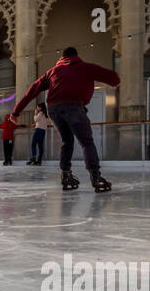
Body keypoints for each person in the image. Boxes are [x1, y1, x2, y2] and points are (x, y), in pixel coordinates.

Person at [13, 46, 119, 192]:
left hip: (53, 109)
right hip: (74, 106)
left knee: (67, 142)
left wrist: (16, 112)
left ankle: (65, 175)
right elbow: (112, 76)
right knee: (86, 142)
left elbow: (32, 91)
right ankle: (95, 176)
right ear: (76, 56)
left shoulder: (52, 71)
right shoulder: (86, 67)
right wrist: (115, 81)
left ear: (61, 58)